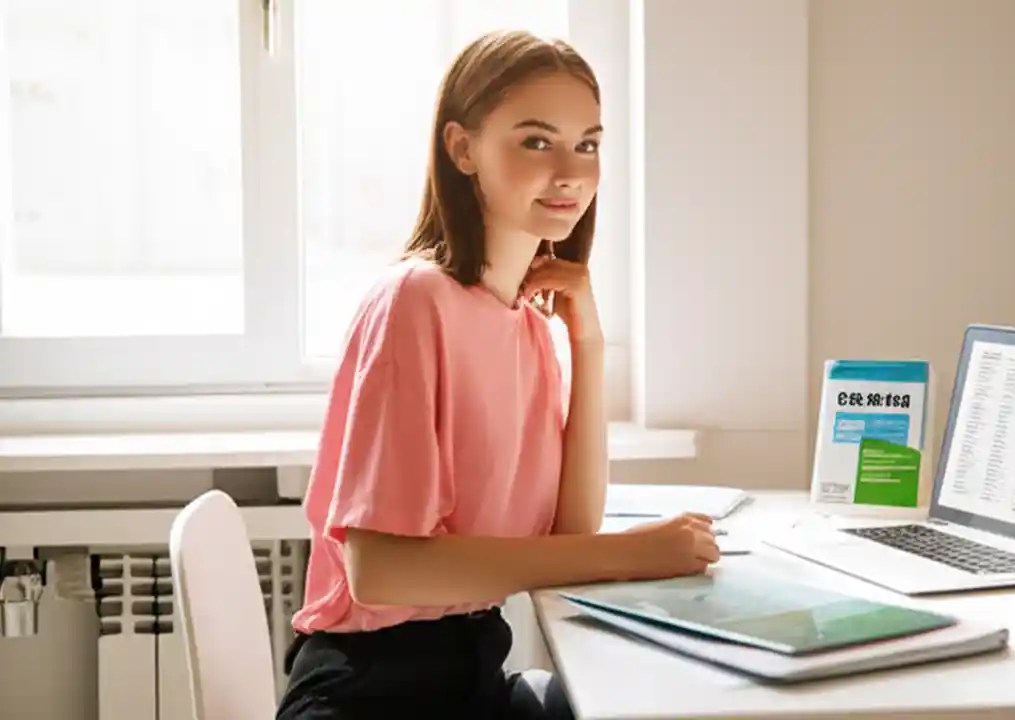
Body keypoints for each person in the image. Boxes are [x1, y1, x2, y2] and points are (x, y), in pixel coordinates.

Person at [275, 30, 721, 720]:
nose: (571, 171)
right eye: (537, 141)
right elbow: (383, 569)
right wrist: (624, 556)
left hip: (472, 670)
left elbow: (572, 530)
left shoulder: (530, 325)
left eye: (589, 144)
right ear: (463, 149)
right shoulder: (414, 301)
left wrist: (590, 341)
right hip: (373, 692)